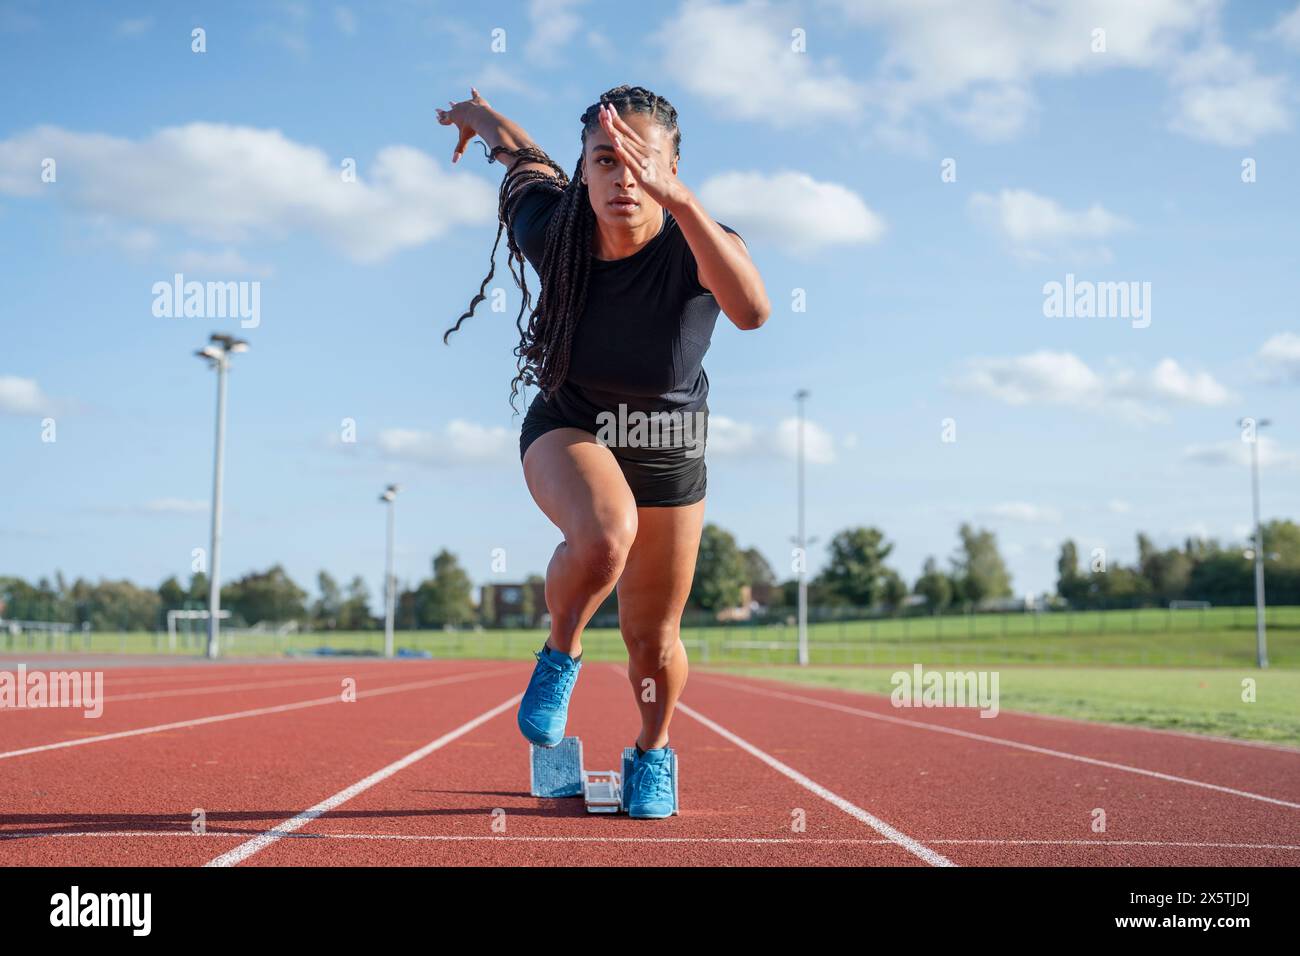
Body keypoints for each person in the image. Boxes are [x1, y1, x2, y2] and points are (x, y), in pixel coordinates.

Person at [437, 84, 770, 818]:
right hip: (572, 422)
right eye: (606, 161)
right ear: (584, 170)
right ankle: (561, 652)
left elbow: (751, 312)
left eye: (643, 163)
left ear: (674, 167)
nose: (625, 179)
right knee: (603, 537)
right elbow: (518, 154)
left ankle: (652, 751)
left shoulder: (698, 240)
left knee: (653, 641)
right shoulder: (551, 228)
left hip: (667, 444)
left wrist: (680, 204)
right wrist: (475, 117)